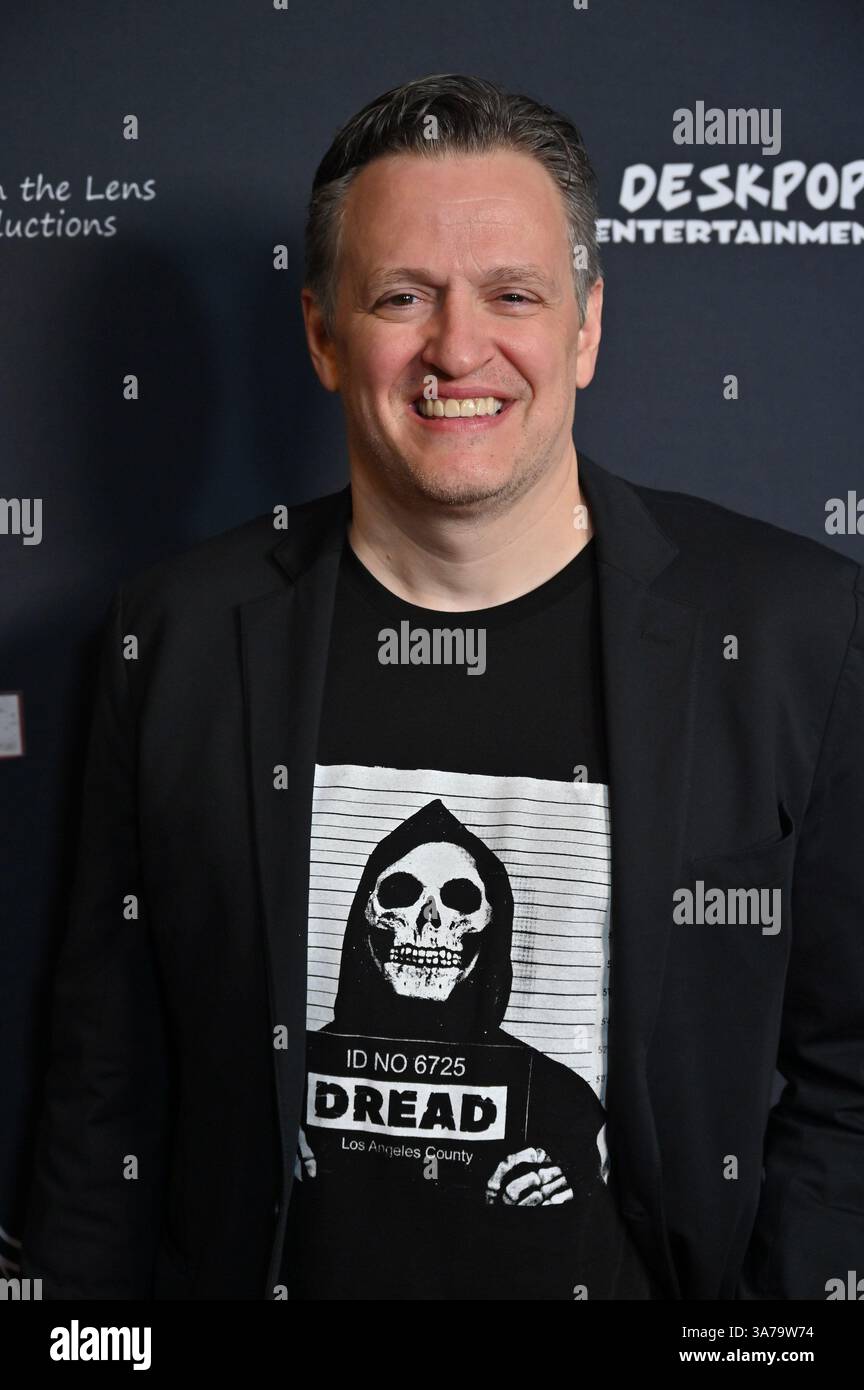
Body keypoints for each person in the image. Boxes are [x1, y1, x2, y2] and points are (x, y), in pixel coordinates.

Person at [21, 73, 864, 1301]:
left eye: (513, 294)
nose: (459, 350)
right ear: (323, 336)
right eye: (402, 296)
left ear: (586, 326)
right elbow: (105, 1090)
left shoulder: (792, 632)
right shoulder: (177, 637)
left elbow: (852, 1077)